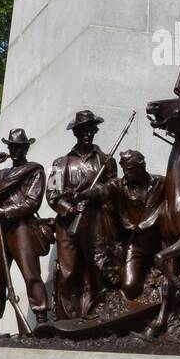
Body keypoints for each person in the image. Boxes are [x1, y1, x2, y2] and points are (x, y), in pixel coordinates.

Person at [0, 127, 51, 334]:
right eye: (12, 146)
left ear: (25, 148)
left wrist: (4, 211)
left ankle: (41, 318)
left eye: (19, 147)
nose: (15, 150)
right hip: (0, 229)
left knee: (31, 272)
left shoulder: (34, 170)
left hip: (21, 226)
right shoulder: (1, 174)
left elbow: (32, 203)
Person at [47, 110, 118, 319]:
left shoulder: (106, 160)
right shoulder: (61, 163)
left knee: (98, 267)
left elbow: (114, 188)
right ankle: (69, 317)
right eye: (83, 130)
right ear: (76, 133)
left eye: (91, 129)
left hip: (97, 219)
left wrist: (96, 192)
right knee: (68, 271)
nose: (88, 133)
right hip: (69, 222)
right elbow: (52, 194)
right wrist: (69, 208)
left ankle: (99, 312)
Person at [76, 149, 165, 300]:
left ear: (141, 167)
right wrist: (83, 194)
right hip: (137, 245)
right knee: (129, 287)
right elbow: (102, 189)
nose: (126, 173)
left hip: (162, 241)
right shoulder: (118, 185)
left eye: (129, 170)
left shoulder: (161, 183)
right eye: (124, 170)